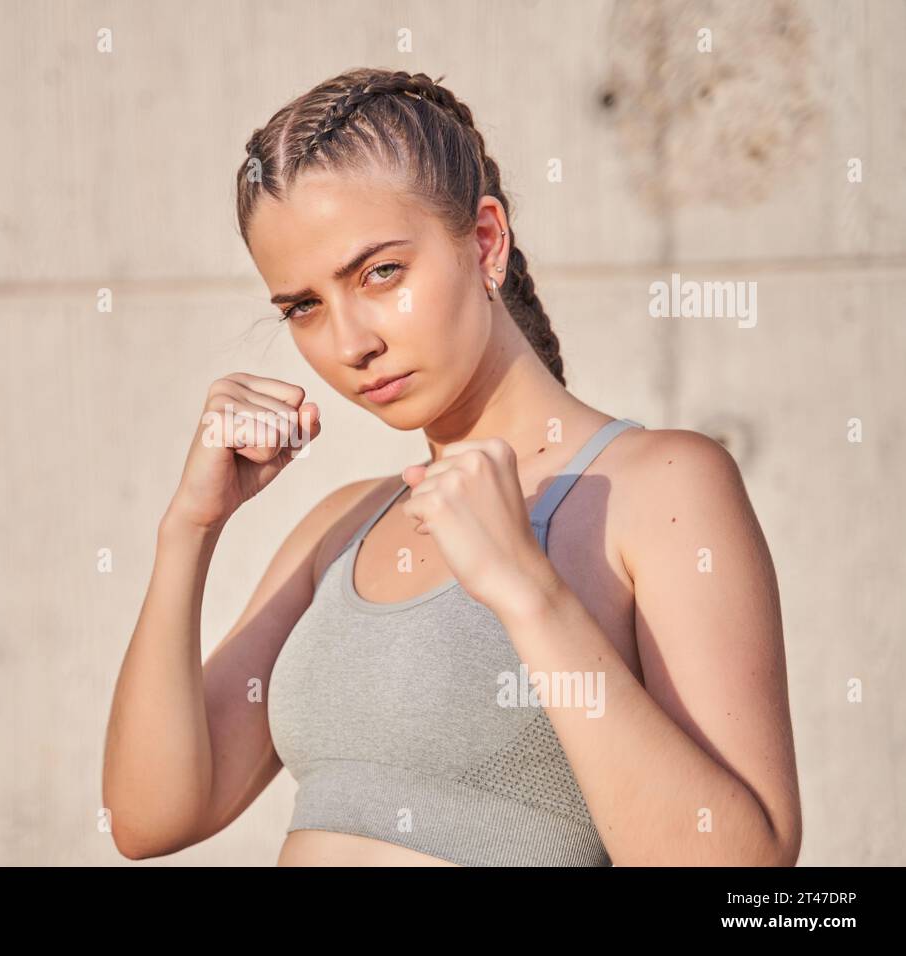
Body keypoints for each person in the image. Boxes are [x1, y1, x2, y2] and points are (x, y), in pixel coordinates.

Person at [102, 68, 801, 866]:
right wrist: (188, 530)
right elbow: (147, 819)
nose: (350, 341)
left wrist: (527, 591)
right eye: (303, 306)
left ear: (484, 242)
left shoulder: (662, 484)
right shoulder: (340, 527)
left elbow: (743, 866)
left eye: (380, 273)